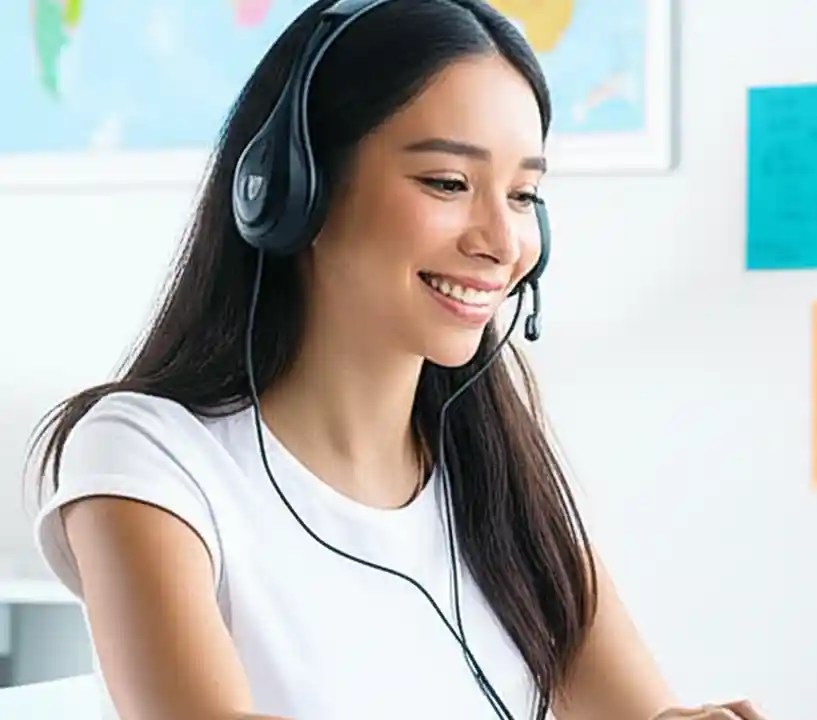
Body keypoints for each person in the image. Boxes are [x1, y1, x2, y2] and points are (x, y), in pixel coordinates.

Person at [26, 1, 767, 719]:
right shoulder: (147, 454)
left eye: (523, 195)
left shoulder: (495, 470)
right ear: (296, 190)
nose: (502, 242)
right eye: (449, 183)